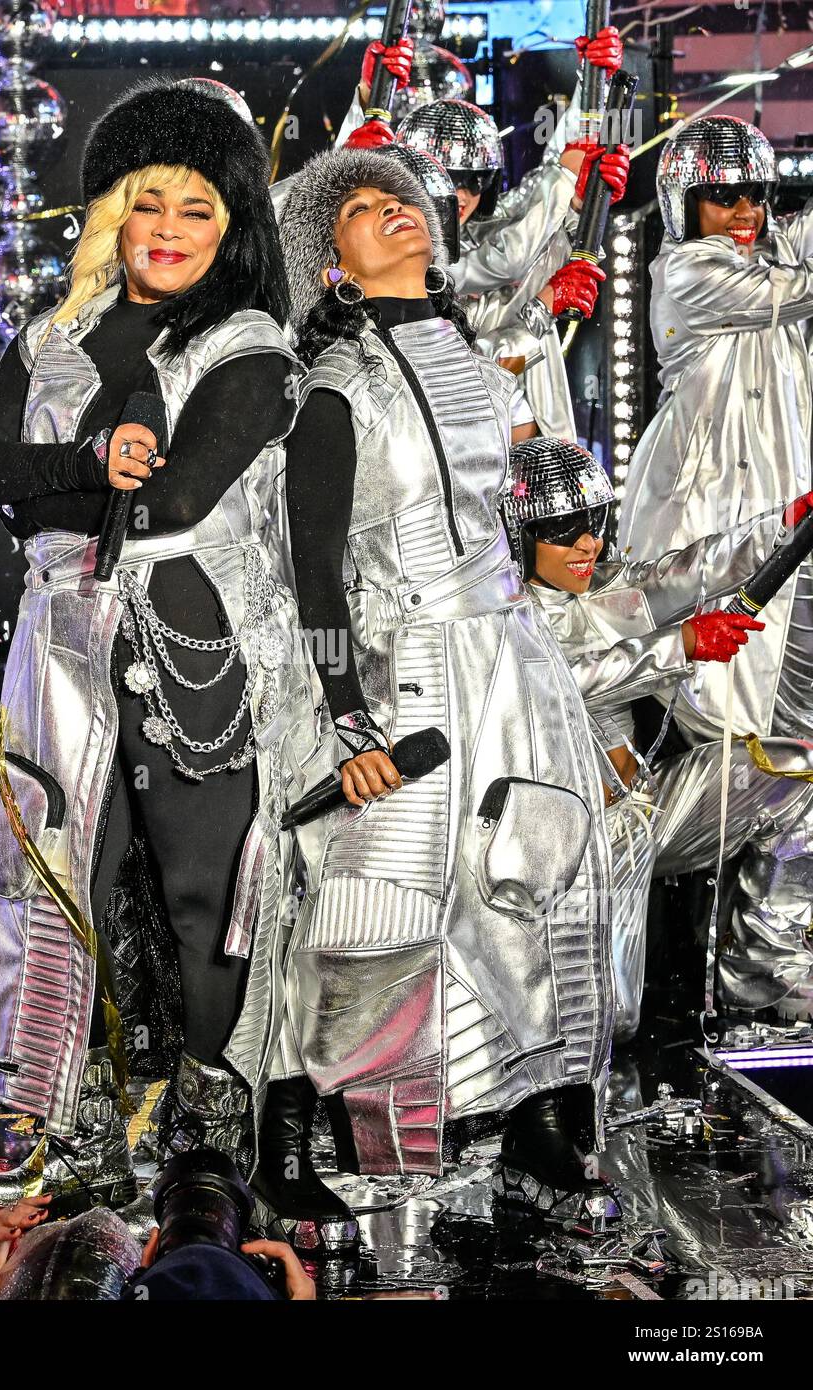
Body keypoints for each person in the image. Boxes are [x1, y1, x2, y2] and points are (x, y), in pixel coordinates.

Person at [0, 80, 314, 1205]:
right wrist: (84, 468)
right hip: (58, 641)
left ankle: (211, 1103)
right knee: (51, 879)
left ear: (234, 226)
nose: (165, 228)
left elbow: (178, 497)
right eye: (147, 201)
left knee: (208, 884)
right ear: (114, 209)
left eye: (196, 208)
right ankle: (57, 1106)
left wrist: (67, 485)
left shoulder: (249, 346)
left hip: (191, 641)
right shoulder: (53, 335)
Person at [272, 147, 616, 1231]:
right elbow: (309, 566)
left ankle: (543, 1109)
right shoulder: (330, 389)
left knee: (540, 869)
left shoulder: (464, 348)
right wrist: (342, 715)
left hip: (509, 651)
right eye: (366, 212)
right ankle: (363, 1125)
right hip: (406, 666)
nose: (397, 216)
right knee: (388, 904)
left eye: (402, 203)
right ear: (330, 260)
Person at [503, 437, 813, 1035]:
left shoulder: (600, 587)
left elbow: (687, 572)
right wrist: (681, 646)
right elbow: (559, 685)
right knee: (610, 1022)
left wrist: (783, 525)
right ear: (520, 533)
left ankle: (761, 973)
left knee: (796, 774)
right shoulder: (497, 618)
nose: (587, 543)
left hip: (645, 808)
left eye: (594, 522)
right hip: (569, 845)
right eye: (565, 528)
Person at [617, 117, 813, 1013]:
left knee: (784, 756)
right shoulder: (688, 274)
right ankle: (665, 986)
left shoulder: (770, 258)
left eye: (754, 197)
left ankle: (763, 972)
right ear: (683, 207)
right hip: (694, 540)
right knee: (711, 751)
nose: (741, 212)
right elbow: (793, 285)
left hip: (786, 526)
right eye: (721, 198)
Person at [393, 25, 628, 439]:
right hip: (463, 461)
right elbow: (505, 265)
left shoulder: (498, 224)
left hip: (543, 457)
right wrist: (543, 306)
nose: (460, 195)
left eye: (473, 181)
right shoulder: (402, 265)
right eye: (446, 181)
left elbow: (549, 179)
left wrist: (595, 80)